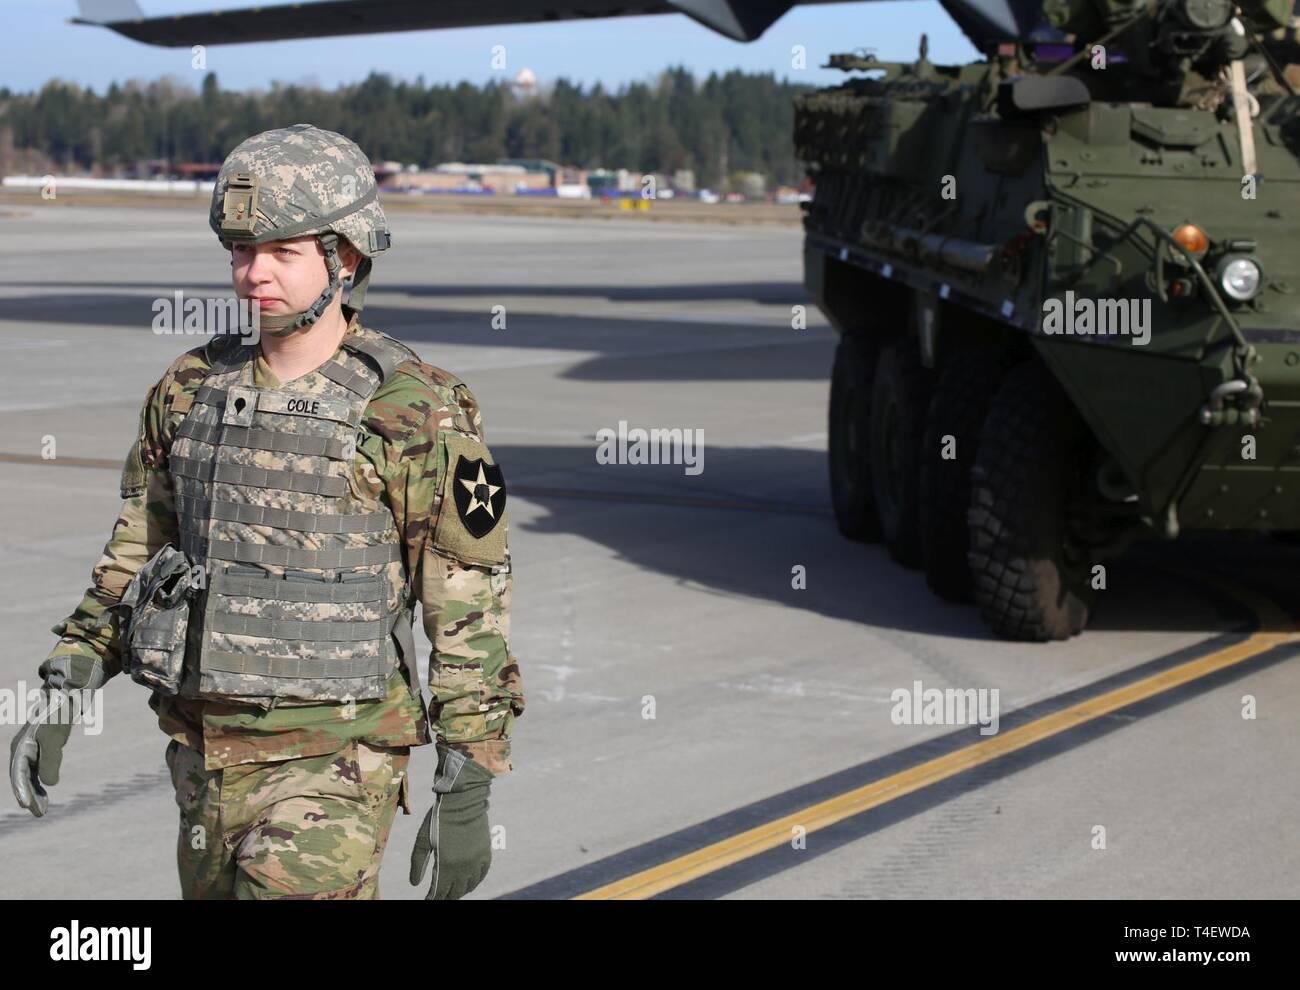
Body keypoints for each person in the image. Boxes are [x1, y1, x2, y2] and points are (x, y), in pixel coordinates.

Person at [8, 123, 524, 900]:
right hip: (201, 755)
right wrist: (73, 674)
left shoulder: (412, 411)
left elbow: (468, 609)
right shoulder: (188, 389)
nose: (254, 275)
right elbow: (139, 547)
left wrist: (469, 776)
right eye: (242, 252)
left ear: (345, 257)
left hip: (336, 764)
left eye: (282, 252)